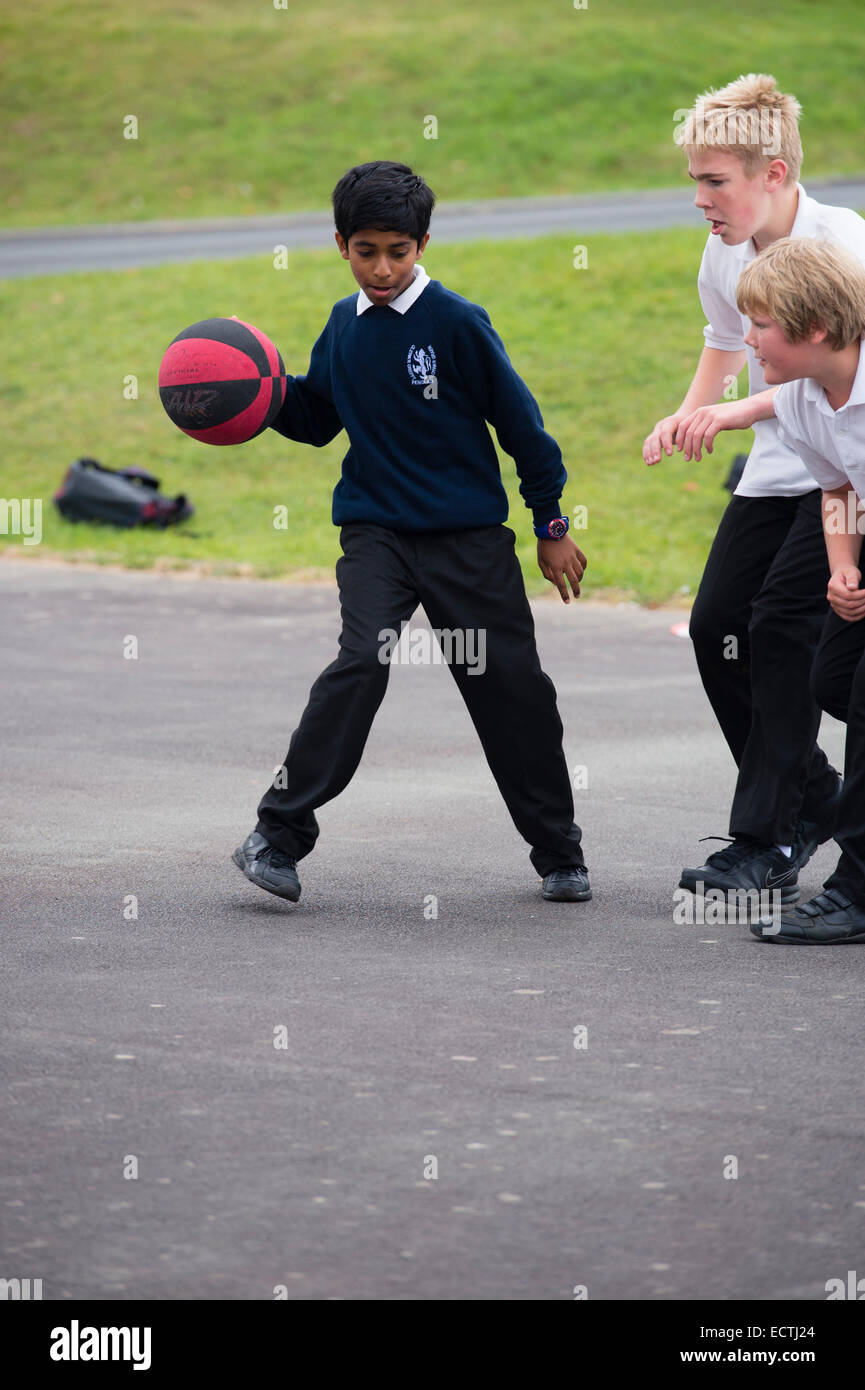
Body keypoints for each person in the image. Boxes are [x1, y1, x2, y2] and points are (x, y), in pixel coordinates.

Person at [233, 161, 590, 906]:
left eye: (398, 250)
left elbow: (526, 433)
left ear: (422, 243)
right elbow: (317, 418)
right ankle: (278, 834)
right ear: (340, 245)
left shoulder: (457, 324)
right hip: (377, 536)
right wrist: (253, 392)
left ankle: (559, 851)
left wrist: (550, 524)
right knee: (360, 660)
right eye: (366, 251)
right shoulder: (341, 324)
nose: (383, 267)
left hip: (467, 541)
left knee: (511, 692)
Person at [643, 73, 865, 911]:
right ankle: (806, 794)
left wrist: (733, 412)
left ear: (771, 173)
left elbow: (832, 379)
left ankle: (766, 835)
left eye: (713, 180)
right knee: (714, 628)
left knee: (778, 628)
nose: (699, 198)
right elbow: (722, 341)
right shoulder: (722, 250)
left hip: (841, 466)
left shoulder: (841, 241)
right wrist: (686, 415)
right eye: (694, 179)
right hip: (786, 463)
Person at [676, 236, 865, 942]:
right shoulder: (806, 402)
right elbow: (839, 485)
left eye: (759, 325)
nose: (745, 339)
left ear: (814, 329)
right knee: (829, 680)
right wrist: (842, 564)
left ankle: (855, 890)